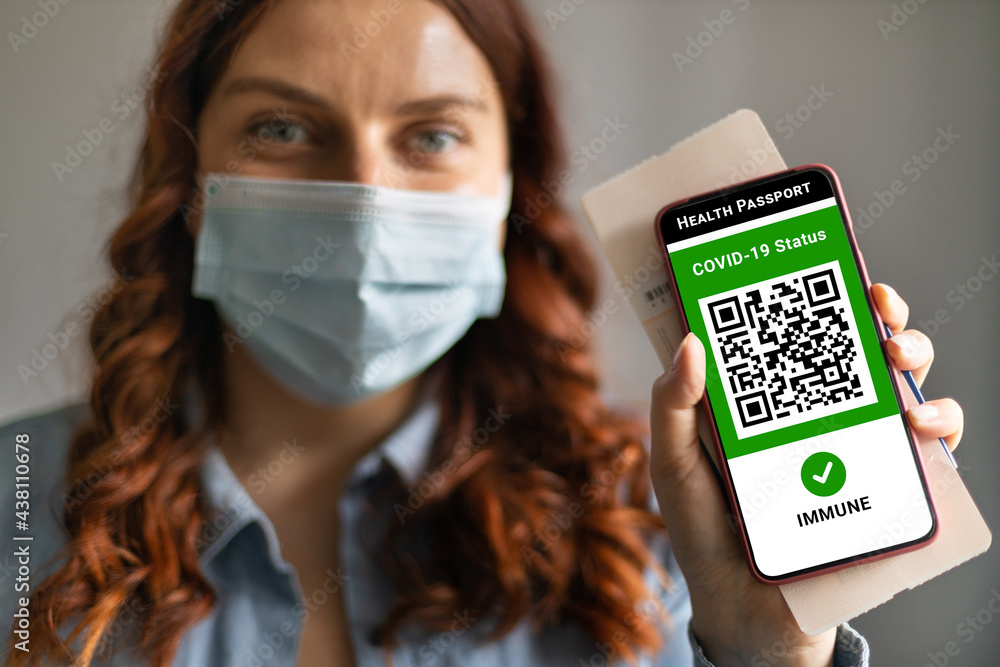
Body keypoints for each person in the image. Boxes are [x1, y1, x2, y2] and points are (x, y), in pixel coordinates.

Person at [0, 0, 964, 665]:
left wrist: (767, 651)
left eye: (431, 136)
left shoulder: (666, 525)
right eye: (284, 130)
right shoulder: (15, 512)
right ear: (190, 182)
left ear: (511, 189)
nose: (364, 198)